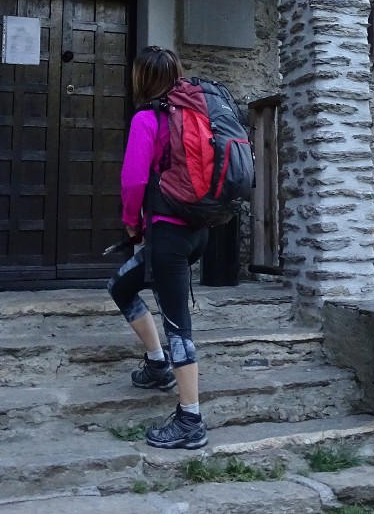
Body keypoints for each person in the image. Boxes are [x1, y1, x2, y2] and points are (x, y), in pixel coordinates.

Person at [106, 46, 210, 449]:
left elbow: (133, 180)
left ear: (142, 79)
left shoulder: (147, 119)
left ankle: (190, 419)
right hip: (196, 231)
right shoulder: (195, 115)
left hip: (168, 237)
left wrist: (131, 222)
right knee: (121, 286)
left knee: (178, 326)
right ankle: (156, 363)